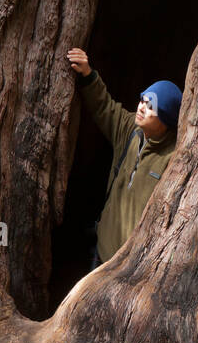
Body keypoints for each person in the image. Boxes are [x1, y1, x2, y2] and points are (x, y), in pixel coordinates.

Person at [67, 47, 182, 268]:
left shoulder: (173, 159)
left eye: (151, 106)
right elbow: (104, 107)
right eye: (142, 100)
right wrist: (87, 73)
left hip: (132, 267)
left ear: (166, 119)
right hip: (101, 254)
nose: (141, 107)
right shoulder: (131, 129)